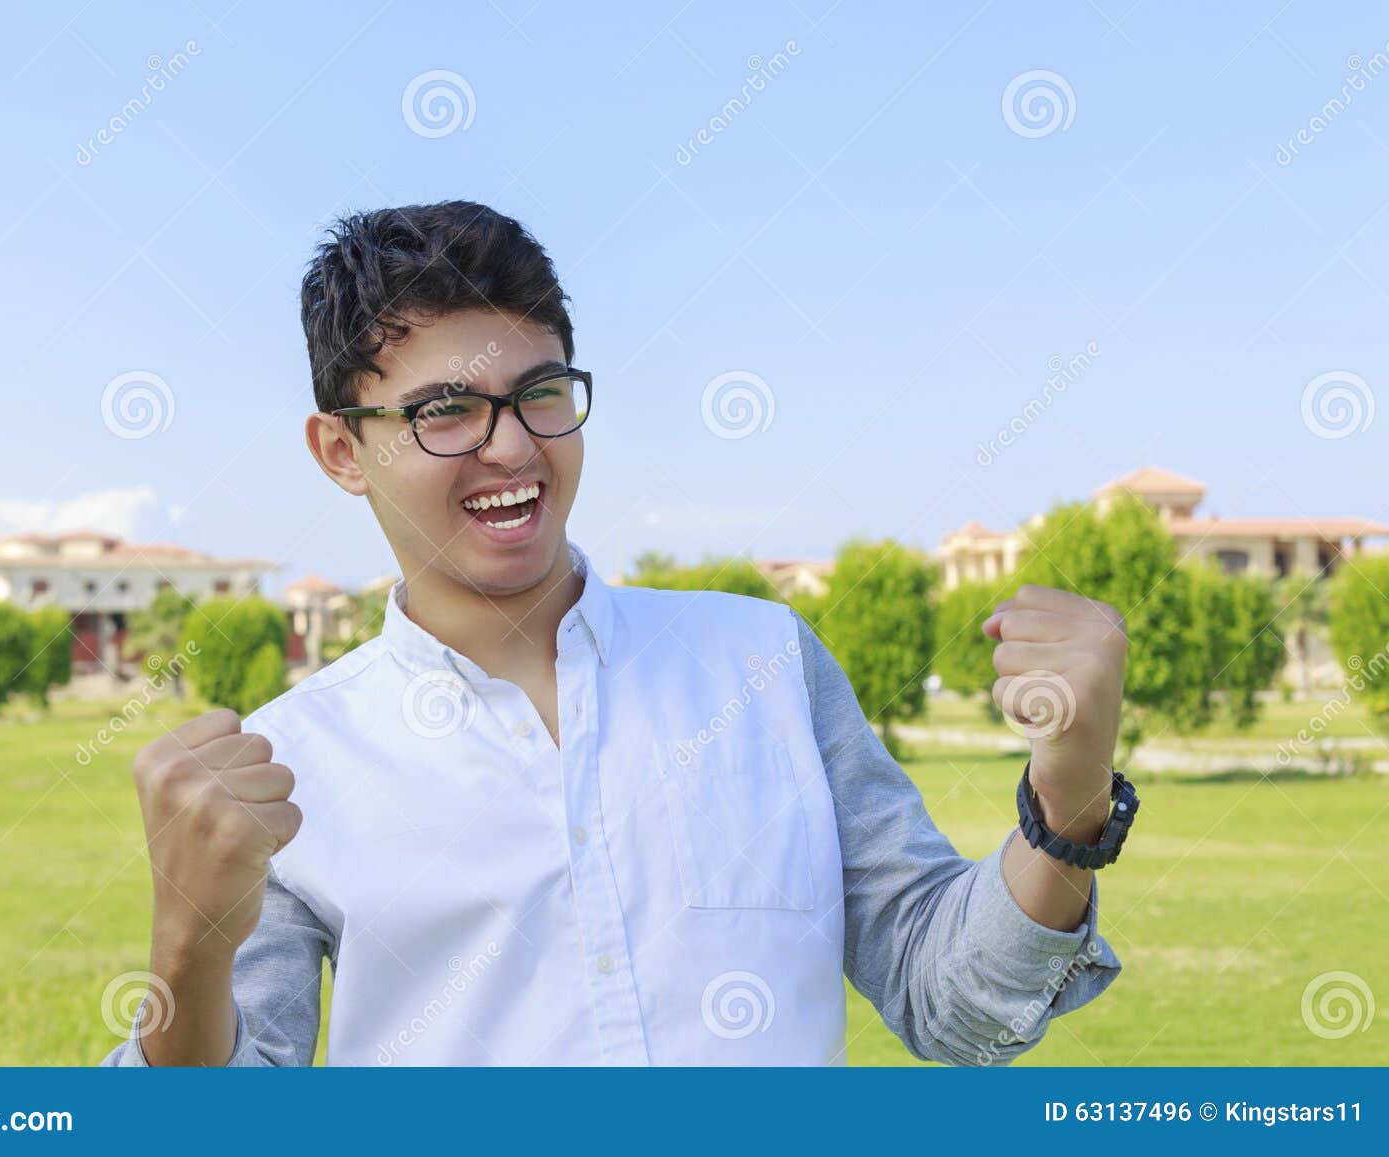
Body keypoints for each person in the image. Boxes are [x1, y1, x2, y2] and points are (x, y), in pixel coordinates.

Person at [102, 200, 1128, 1068]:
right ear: (341, 449)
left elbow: (950, 1000)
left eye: (540, 394)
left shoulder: (763, 662)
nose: (510, 445)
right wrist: (188, 945)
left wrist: (1068, 796)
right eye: (445, 410)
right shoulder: (291, 769)